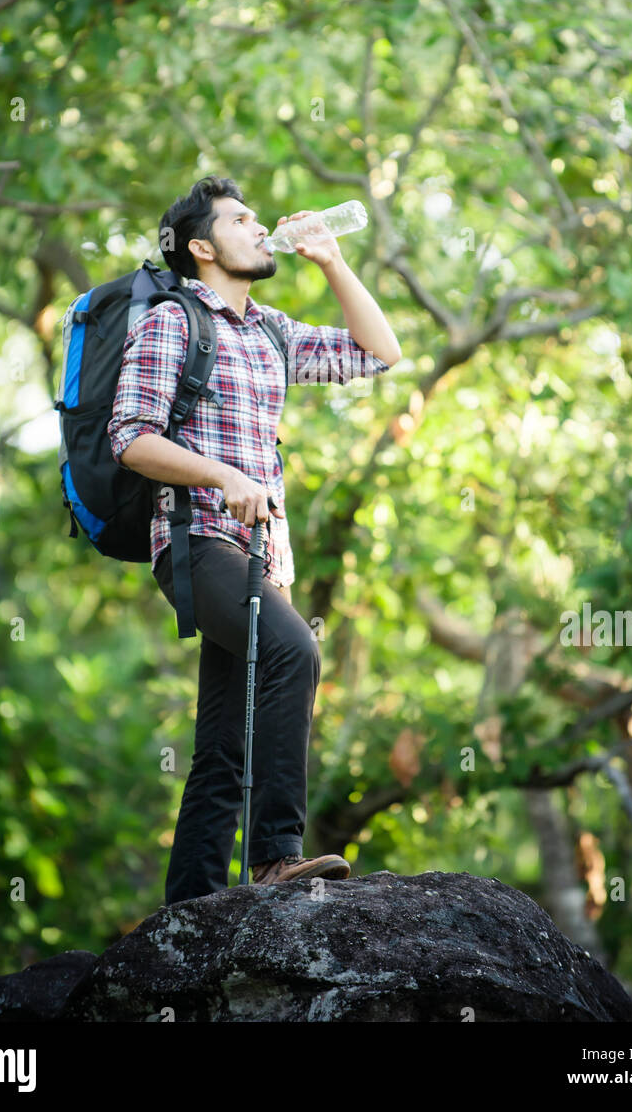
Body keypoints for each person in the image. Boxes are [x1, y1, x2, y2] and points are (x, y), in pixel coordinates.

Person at [107, 174, 402, 904]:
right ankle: (275, 857)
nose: (260, 226)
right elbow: (130, 437)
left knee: (222, 746)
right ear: (202, 247)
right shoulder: (173, 322)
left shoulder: (270, 331)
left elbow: (379, 352)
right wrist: (223, 476)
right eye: (241, 220)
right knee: (294, 651)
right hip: (198, 542)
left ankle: (190, 912)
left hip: (263, 561)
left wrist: (332, 260)